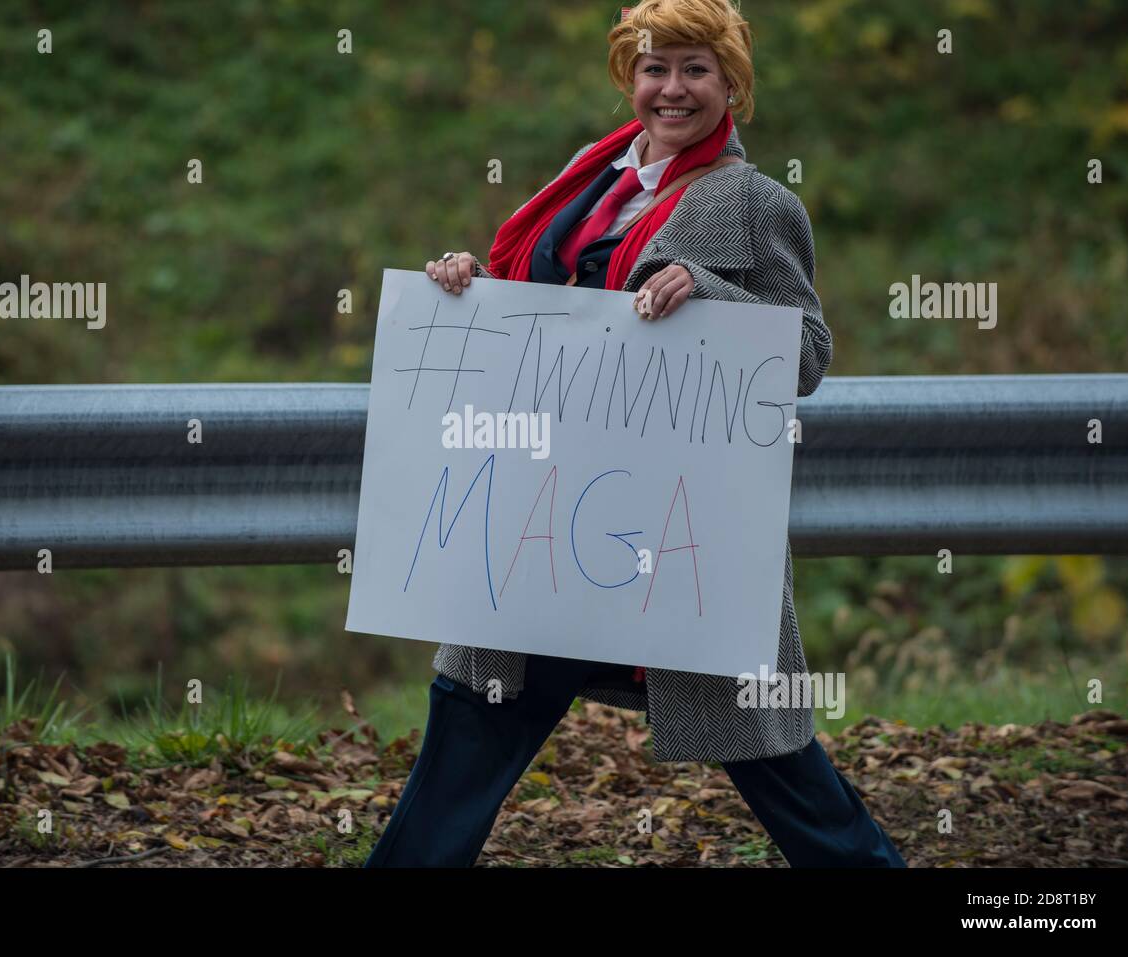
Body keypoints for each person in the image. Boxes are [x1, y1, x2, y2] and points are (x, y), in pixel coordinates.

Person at [365, 0, 905, 868]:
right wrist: (464, 280)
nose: (673, 88)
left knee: (770, 753)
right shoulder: (589, 175)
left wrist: (709, 289)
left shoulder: (756, 202)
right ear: (630, 76)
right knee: (471, 709)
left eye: (697, 68)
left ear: (732, 81)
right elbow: (528, 296)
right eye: (656, 67)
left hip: (673, 533)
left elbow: (804, 353)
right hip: (547, 516)